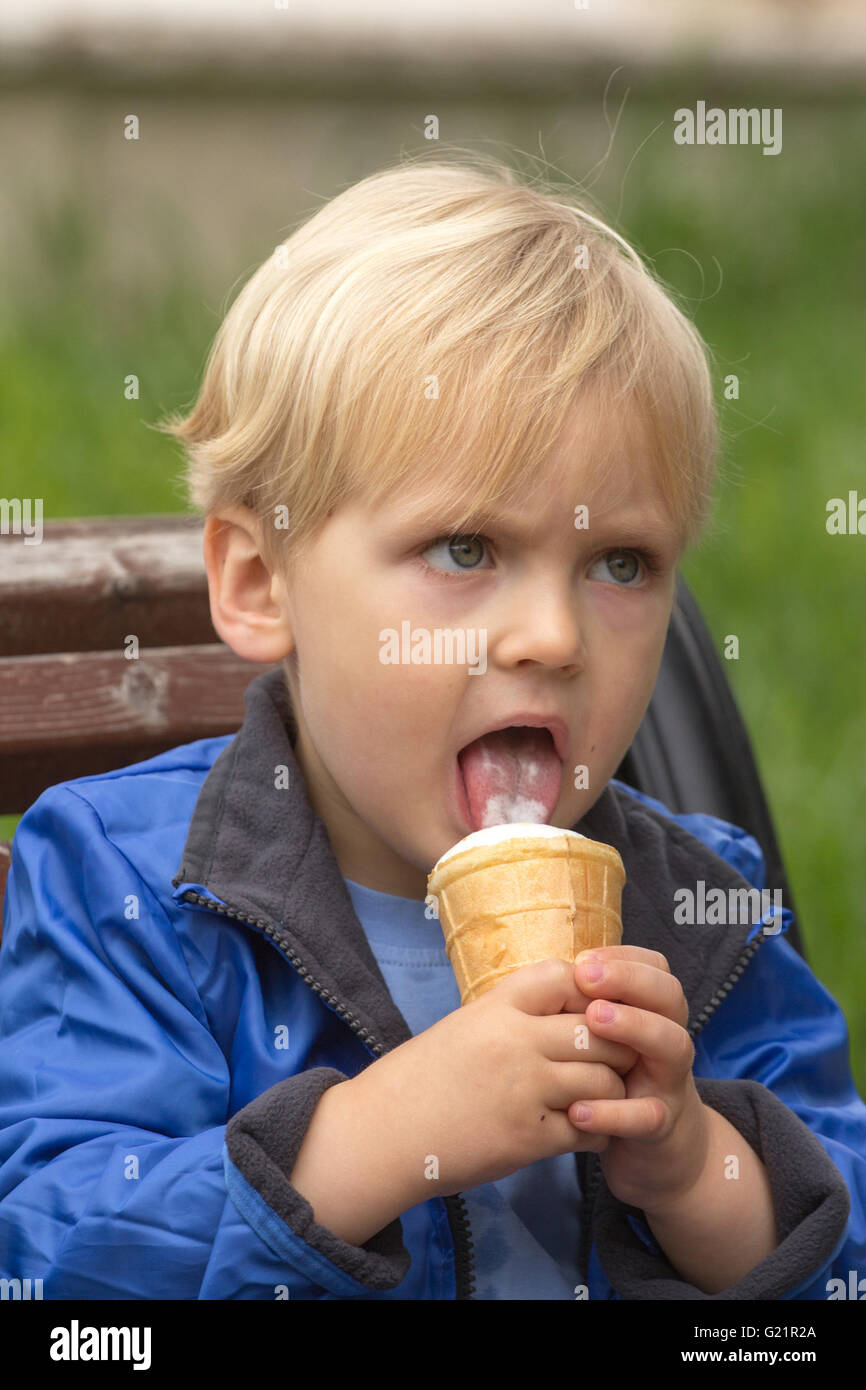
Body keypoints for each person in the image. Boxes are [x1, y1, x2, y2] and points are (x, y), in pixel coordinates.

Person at [1, 155, 862, 1300]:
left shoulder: (700, 915)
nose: (551, 635)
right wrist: (375, 1135)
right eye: (465, 549)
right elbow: (61, 1269)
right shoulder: (130, 888)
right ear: (260, 581)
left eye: (619, 563)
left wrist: (693, 1164)